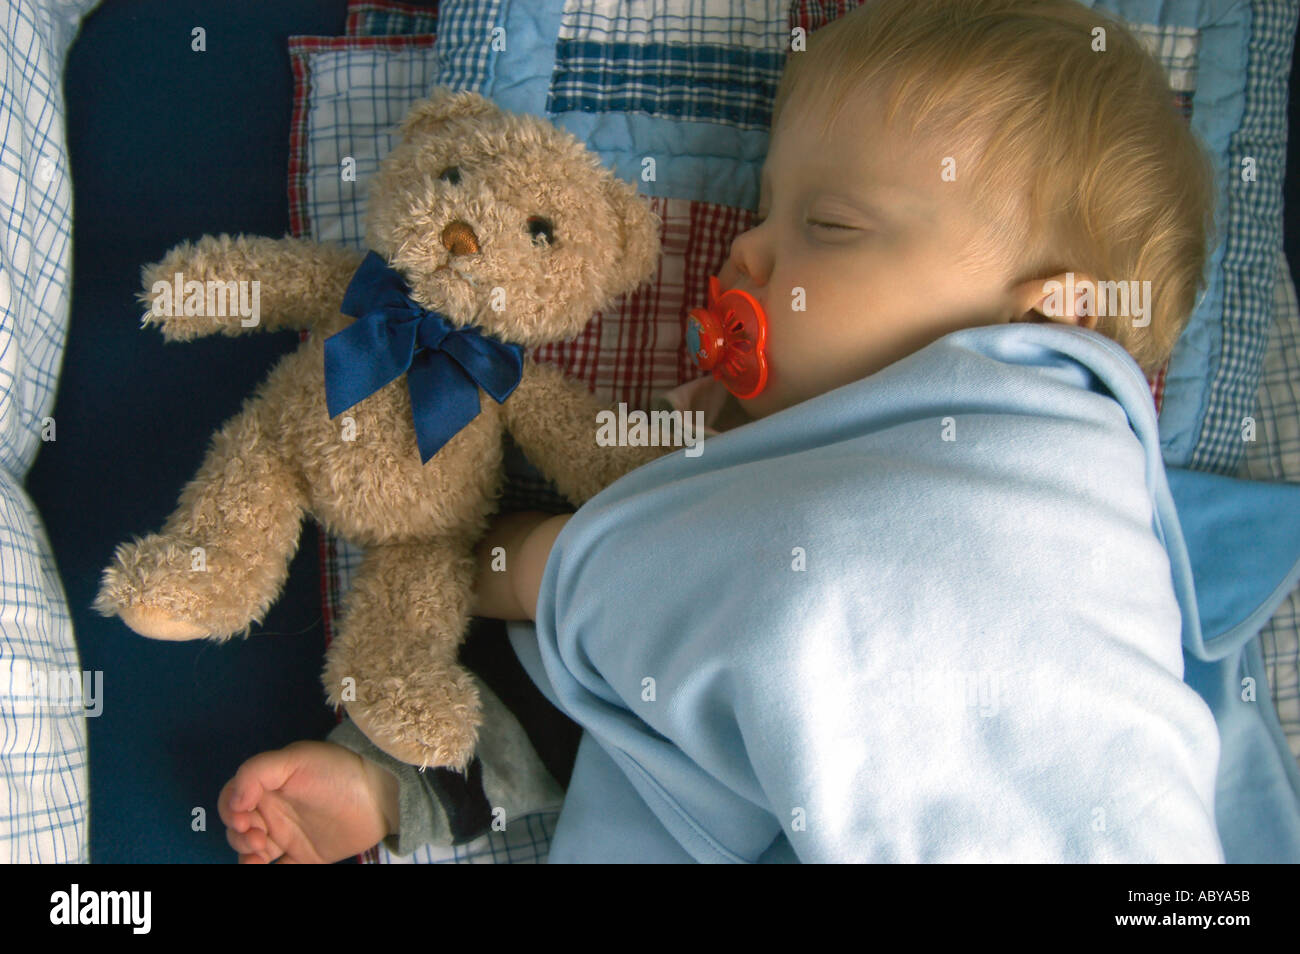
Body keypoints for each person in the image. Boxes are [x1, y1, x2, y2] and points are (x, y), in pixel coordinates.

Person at [218, 0, 1221, 863]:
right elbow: (653, 727)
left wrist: (536, 564)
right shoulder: (733, 486)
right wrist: (383, 779)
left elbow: (803, 600)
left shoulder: (1048, 485)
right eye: (763, 209)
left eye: (827, 225)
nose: (745, 247)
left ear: (1044, 318)